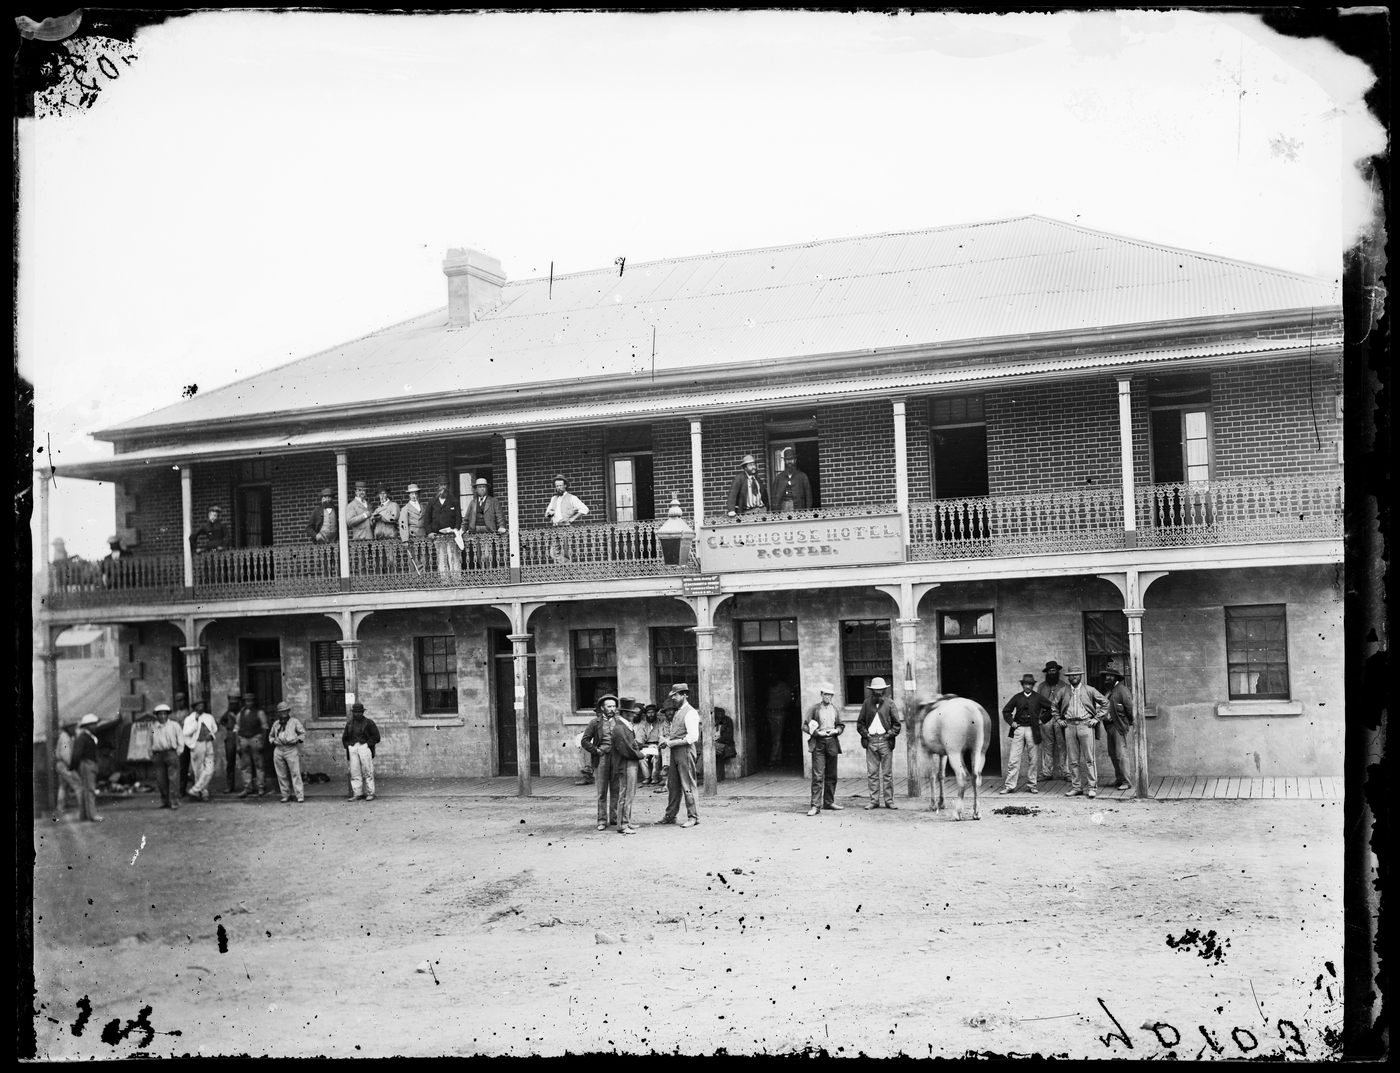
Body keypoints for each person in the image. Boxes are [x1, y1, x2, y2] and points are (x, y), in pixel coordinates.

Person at [1000, 674, 1054, 795]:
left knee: (1033, 759)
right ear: (1022, 685)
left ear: (1033, 685)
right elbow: (1006, 711)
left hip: (1032, 730)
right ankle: (1009, 786)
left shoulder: (1038, 697)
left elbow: (1052, 708)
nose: (1028, 686)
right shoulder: (1017, 697)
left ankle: (1032, 785)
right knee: (1013, 759)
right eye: (1025, 684)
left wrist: (1042, 720)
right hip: (1019, 730)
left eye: (1030, 684)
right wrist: (1012, 722)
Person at [655, 683, 700, 828]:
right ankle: (670, 815)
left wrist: (670, 743)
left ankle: (693, 817)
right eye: (672, 695)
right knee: (673, 785)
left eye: (676, 695)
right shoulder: (678, 712)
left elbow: (693, 737)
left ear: (684, 695)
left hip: (685, 752)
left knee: (688, 784)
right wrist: (667, 741)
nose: (673, 698)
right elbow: (677, 733)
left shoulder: (690, 712)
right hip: (675, 752)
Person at [1061, 666, 1108, 798]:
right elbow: (1054, 705)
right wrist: (1059, 719)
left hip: (1085, 725)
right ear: (1068, 678)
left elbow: (1105, 703)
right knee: (1073, 760)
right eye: (1071, 675)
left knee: (1089, 759)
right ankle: (1076, 787)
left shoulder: (1089, 690)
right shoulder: (1063, 691)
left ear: (1081, 676)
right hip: (1070, 726)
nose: (1073, 677)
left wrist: (1096, 718)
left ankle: (1092, 787)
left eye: (1076, 675)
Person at [857, 676, 902, 810]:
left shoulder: (890, 703)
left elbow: (897, 724)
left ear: (884, 690)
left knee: (887, 774)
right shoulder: (866, 703)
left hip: (885, 742)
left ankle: (889, 801)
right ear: (872, 691)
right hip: (871, 741)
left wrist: (889, 734)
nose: (878, 692)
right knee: (872, 773)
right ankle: (874, 801)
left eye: (880, 690)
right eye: (875, 690)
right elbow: (860, 723)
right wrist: (866, 734)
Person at [582, 694, 621, 830]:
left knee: (616, 789)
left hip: (616, 758)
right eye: (609, 706)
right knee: (602, 791)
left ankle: (615, 818)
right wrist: (596, 751)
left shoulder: (620, 721)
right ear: (602, 708)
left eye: (614, 706)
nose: (612, 709)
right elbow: (585, 741)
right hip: (602, 758)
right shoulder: (595, 722)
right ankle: (602, 820)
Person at [805, 683, 845, 816]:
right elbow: (805, 726)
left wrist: (836, 731)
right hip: (819, 743)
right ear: (821, 694)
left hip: (832, 742)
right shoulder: (814, 709)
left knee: (832, 774)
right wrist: (817, 733)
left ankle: (829, 802)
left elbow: (841, 725)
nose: (828, 697)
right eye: (826, 694)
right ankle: (815, 806)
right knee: (818, 775)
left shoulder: (835, 709)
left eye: (830, 695)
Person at [611, 698, 643, 834]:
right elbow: (626, 750)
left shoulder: (626, 726)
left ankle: (626, 821)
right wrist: (641, 754)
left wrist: (639, 748)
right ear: (624, 713)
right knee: (625, 794)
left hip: (630, 762)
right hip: (625, 764)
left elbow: (631, 745)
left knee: (630, 793)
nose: (634, 714)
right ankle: (622, 825)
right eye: (631, 712)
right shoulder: (619, 728)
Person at [1100, 663, 1134, 791]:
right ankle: (1119, 779)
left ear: (1116, 678)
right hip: (1109, 726)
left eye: (1110, 676)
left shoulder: (1122, 690)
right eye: (1106, 676)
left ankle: (1126, 781)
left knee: (1121, 754)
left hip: (1118, 726)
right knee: (1113, 753)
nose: (1107, 678)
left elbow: (1129, 708)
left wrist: (1128, 722)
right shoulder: (1109, 691)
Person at [1037, 661, 1072, 783]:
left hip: (1060, 719)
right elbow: (1037, 702)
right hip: (1045, 719)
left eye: (1053, 670)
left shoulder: (1065, 686)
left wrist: (1065, 718)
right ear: (1047, 673)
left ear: (1057, 671)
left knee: (1063, 745)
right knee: (1047, 745)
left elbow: (1068, 703)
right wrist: (1038, 719)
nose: (1051, 673)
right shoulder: (1042, 686)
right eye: (1049, 671)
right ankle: (1046, 772)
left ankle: (1066, 772)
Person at [342, 701, 382, 802]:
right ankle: (357, 793)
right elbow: (344, 738)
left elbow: (377, 737)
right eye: (355, 712)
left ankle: (370, 793)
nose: (357, 714)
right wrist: (349, 746)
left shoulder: (369, 723)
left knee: (368, 771)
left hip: (364, 747)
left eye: (359, 712)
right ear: (353, 713)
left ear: (363, 712)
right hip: (353, 748)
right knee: (354, 771)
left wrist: (367, 744)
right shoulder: (349, 724)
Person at [268, 701, 307, 803]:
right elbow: (271, 736)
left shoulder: (294, 722)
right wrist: (273, 741)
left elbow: (302, 734)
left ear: (288, 711)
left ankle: (299, 795)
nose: (284, 713)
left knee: (295, 773)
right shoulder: (276, 724)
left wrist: (297, 740)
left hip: (291, 749)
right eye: (281, 711)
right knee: (281, 774)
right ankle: (285, 795)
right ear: (278, 713)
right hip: (279, 749)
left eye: (285, 711)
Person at [463, 476, 506, 569]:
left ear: (486, 488)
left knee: (488, 555)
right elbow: (466, 518)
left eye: (483, 487)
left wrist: (501, 526)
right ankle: (484, 573)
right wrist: (462, 529)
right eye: (479, 487)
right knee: (479, 556)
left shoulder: (493, 501)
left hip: (488, 531)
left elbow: (500, 516)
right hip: (475, 532)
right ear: (476, 489)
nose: (482, 489)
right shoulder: (473, 502)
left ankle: (490, 572)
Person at [544, 475, 588, 563]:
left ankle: (568, 567)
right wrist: (550, 515)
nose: (558, 488)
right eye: (557, 486)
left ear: (565, 485)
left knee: (566, 552)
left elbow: (584, 509)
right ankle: (569, 565)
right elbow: (547, 514)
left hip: (566, 528)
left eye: (560, 485)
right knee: (553, 553)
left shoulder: (572, 498)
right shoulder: (553, 499)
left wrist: (573, 518)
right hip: (555, 528)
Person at [182, 700, 219, 801]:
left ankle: (195, 790)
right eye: (198, 706)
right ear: (194, 708)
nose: (201, 708)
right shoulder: (189, 718)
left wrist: (211, 735)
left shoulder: (209, 717)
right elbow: (186, 732)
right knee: (199, 770)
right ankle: (203, 793)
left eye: (202, 706)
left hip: (208, 744)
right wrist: (195, 721)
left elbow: (215, 728)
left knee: (210, 768)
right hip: (197, 745)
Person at [150, 703, 184, 809]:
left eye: (164, 714)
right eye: (160, 714)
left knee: (173, 778)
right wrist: (151, 754)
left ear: (168, 715)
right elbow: (148, 741)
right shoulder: (153, 727)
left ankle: (174, 801)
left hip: (171, 753)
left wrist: (178, 751)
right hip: (158, 754)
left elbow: (180, 739)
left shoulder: (174, 725)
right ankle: (164, 801)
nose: (162, 716)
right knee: (161, 779)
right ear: (156, 715)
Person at [235, 692, 269, 798]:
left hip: (255, 739)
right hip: (244, 739)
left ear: (254, 702)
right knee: (245, 765)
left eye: (250, 701)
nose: (248, 702)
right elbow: (237, 729)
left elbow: (264, 727)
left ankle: (261, 787)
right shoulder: (241, 713)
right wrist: (238, 744)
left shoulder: (259, 713)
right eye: (246, 701)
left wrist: (262, 742)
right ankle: (247, 787)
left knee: (259, 764)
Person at [423, 480, 462, 573]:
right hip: (438, 536)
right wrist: (429, 532)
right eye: (441, 485)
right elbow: (427, 518)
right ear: (437, 486)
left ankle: (456, 579)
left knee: (453, 558)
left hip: (451, 536)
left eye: (445, 485)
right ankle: (444, 580)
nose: (443, 487)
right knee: (441, 559)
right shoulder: (432, 502)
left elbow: (458, 517)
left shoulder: (454, 501)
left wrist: (456, 529)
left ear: (448, 486)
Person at [71, 713, 104, 822]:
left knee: (87, 790)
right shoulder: (83, 737)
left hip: (90, 763)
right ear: (86, 726)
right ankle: (92, 815)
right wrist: (74, 767)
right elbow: (76, 754)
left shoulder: (89, 737)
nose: (95, 726)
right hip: (86, 763)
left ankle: (85, 815)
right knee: (90, 790)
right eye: (92, 724)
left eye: (95, 724)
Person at [52, 720, 83, 818]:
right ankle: (83, 807)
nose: (74, 729)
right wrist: (72, 766)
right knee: (78, 784)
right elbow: (66, 755)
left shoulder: (65, 736)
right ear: (68, 728)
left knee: (63, 786)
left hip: (61, 764)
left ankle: (61, 807)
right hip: (65, 764)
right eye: (72, 727)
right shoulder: (65, 738)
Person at [769, 448, 813, 512]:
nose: (789, 462)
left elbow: (808, 495)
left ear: (795, 460)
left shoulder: (802, 476)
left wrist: (808, 510)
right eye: (787, 459)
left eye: (791, 459)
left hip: (798, 507)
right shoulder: (779, 477)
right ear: (784, 461)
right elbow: (774, 496)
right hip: (783, 507)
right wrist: (775, 510)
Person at [217, 691, 243, 794]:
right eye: (231, 702)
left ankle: (248, 786)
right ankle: (230, 786)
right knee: (230, 763)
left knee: (245, 761)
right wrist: (227, 726)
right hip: (230, 737)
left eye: (235, 701)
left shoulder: (242, 711)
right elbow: (221, 720)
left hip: (241, 736)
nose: (233, 704)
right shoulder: (228, 712)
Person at [764, 679, 793, 766]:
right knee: (775, 737)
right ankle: (778, 758)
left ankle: (773, 758)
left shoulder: (783, 686)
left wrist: (782, 708)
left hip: (779, 712)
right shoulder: (769, 687)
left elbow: (788, 700)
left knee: (777, 736)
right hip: (770, 712)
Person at [636, 703, 662, 785]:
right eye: (648, 712)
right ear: (646, 714)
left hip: (658, 746)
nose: (650, 714)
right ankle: (647, 777)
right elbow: (639, 741)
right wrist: (647, 746)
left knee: (656, 756)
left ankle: (654, 778)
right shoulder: (643, 725)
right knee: (641, 756)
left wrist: (657, 746)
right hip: (647, 746)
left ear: (656, 713)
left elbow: (661, 738)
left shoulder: (660, 723)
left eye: (652, 712)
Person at [173, 692, 193, 796]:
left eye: (181, 701)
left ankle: (182, 790)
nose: (179, 703)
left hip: (185, 742)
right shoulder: (174, 714)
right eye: (177, 701)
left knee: (183, 767)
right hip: (176, 742)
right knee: (178, 767)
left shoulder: (188, 713)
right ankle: (178, 789)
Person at [711, 706, 737, 782]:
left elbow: (728, 738)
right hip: (714, 745)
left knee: (708, 748)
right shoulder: (711, 722)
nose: (719, 717)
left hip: (725, 746)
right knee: (709, 748)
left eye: (721, 715)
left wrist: (717, 741)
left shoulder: (727, 721)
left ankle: (698, 771)